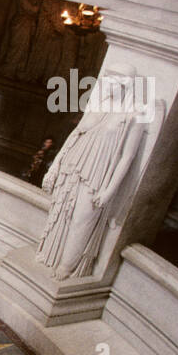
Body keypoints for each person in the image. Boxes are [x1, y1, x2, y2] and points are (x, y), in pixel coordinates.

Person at [34, 65, 145, 280]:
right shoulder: (98, 105)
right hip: (74, 166)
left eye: (114, 80)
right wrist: (55, 166)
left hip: (97, 174)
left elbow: (127, 158)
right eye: (108, 79)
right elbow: (75, 135)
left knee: (81, 219)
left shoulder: (134, 116)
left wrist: (109, 191)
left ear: (126, 84)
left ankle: (67, 266)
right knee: (62, 214)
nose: (107, 84)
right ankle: (51, 255)